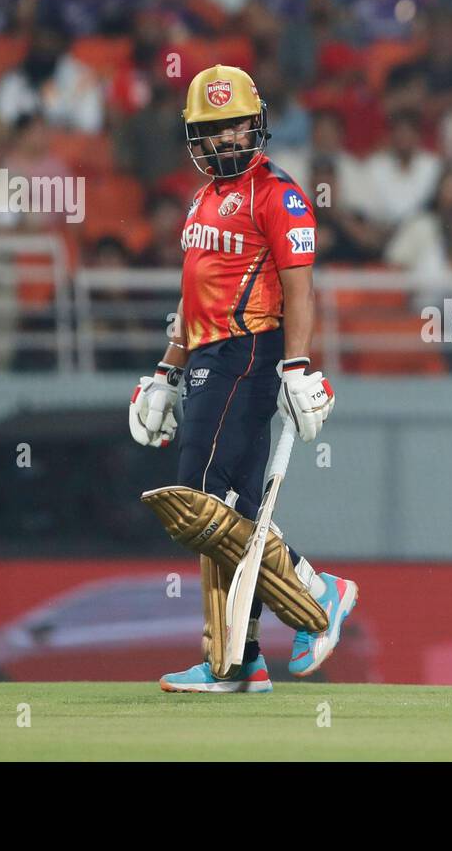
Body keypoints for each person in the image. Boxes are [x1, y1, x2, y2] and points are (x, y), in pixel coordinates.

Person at [129, 64, 357, 693]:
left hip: (248, 354)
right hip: (206, 356)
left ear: (257, 127)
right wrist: (165, 373)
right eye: (212, 130)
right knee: (235, 510)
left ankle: (316, 593)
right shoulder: (201, 200)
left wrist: (298, 363)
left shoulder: (277, 194)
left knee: (198, 500)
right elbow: (192, 296)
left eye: (235, 127)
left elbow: (299, 286)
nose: (226, 140)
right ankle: (238, 659)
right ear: (194, 139)